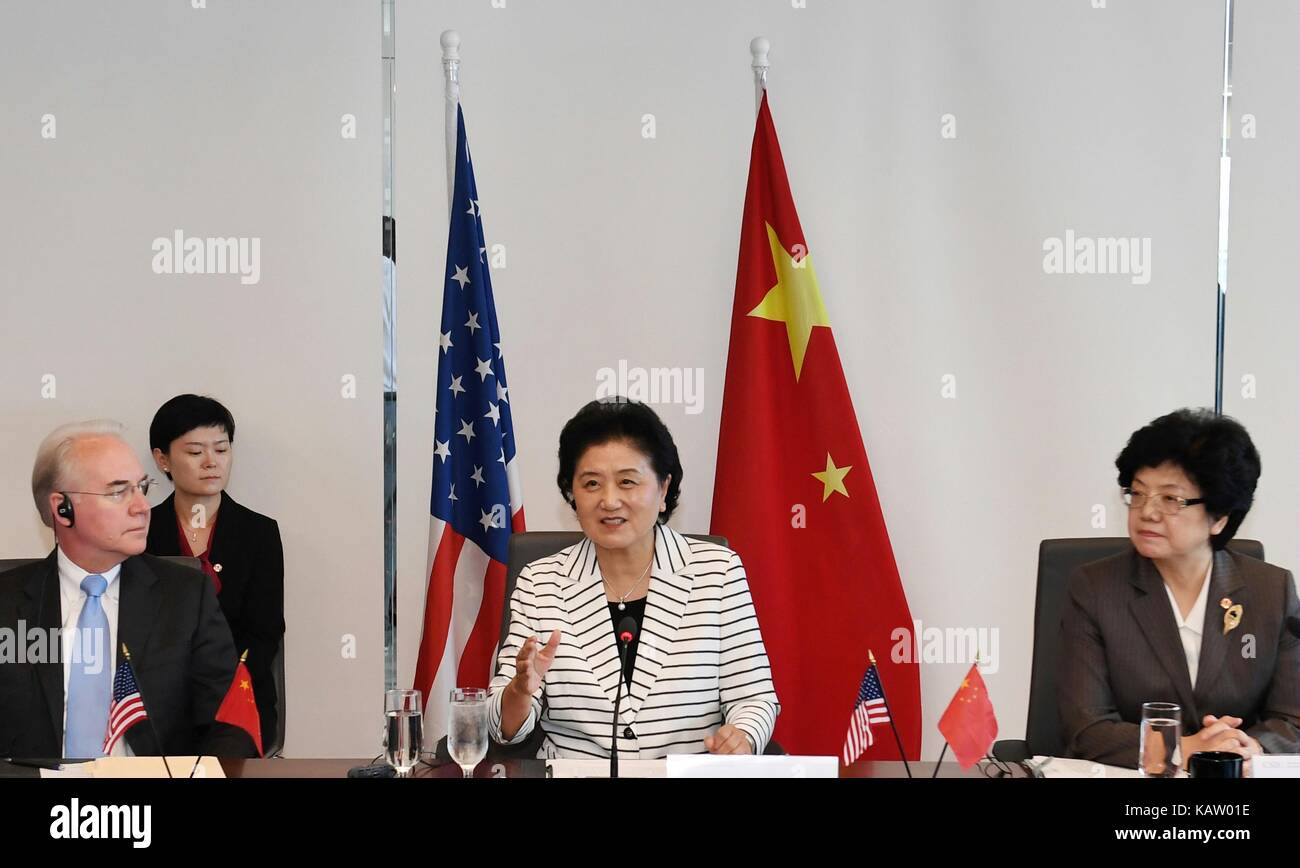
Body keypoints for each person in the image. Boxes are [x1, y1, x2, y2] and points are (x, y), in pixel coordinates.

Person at [488, 398, 779, 758]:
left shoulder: (717, 572)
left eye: (627, 482)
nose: (609, 501)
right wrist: (520, 691)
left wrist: (743, 736)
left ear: (663, 489)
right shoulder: (540, 582)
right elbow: (502, 728)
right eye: (591, 483)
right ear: (572, 494)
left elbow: (755, 697)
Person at [1059, 408, 1300, 768]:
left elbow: (1293, 719)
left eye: (1171, 499)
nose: (1147, 512)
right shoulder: (1094, 589)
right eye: (1137, 494)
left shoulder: (1272, 590)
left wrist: (1250, 749)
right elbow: (1087, 728)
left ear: (1219, 517)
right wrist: (1182, 749)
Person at [0, 420, 254, 758]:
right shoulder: (7, 602)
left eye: (141, 488)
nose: (141, 507)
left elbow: (229, 724)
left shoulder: (186, 596)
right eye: (118, 492)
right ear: (63, 508)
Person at [145, 395, 284, 754]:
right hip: (153, 700)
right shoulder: (139, 531)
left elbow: (265, 632)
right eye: (194, 452)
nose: (211, 463)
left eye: (221, 450)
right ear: (162, 459)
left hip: (237, 697)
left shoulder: (259, 532)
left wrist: (216, 686)